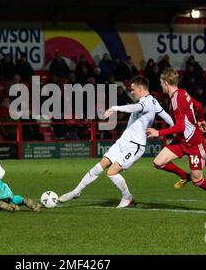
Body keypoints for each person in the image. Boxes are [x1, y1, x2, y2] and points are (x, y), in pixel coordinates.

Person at [59, 76, 174, 208]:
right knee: (100, 165)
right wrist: (177, 127)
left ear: (141, 89)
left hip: (134, 146)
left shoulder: (147, 102)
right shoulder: (153, 102)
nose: (132, 92)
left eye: (133, 89)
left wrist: (114, 108)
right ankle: (76, 191)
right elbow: (168, 118)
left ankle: (127, 198)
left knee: (112, 172)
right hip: (123, 141)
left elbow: (134, 108)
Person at [146, 67, 206, 212]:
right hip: (182, 141)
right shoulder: (183, 93)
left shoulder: (176, 100)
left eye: (161, 82)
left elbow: (181, 126)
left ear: (165, 82)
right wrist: (200, 119)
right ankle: (184, 176)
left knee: (198, 181)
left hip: (194, 143)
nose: (160, 85)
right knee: (158, 162)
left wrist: (159, 132)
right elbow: (199, 105)